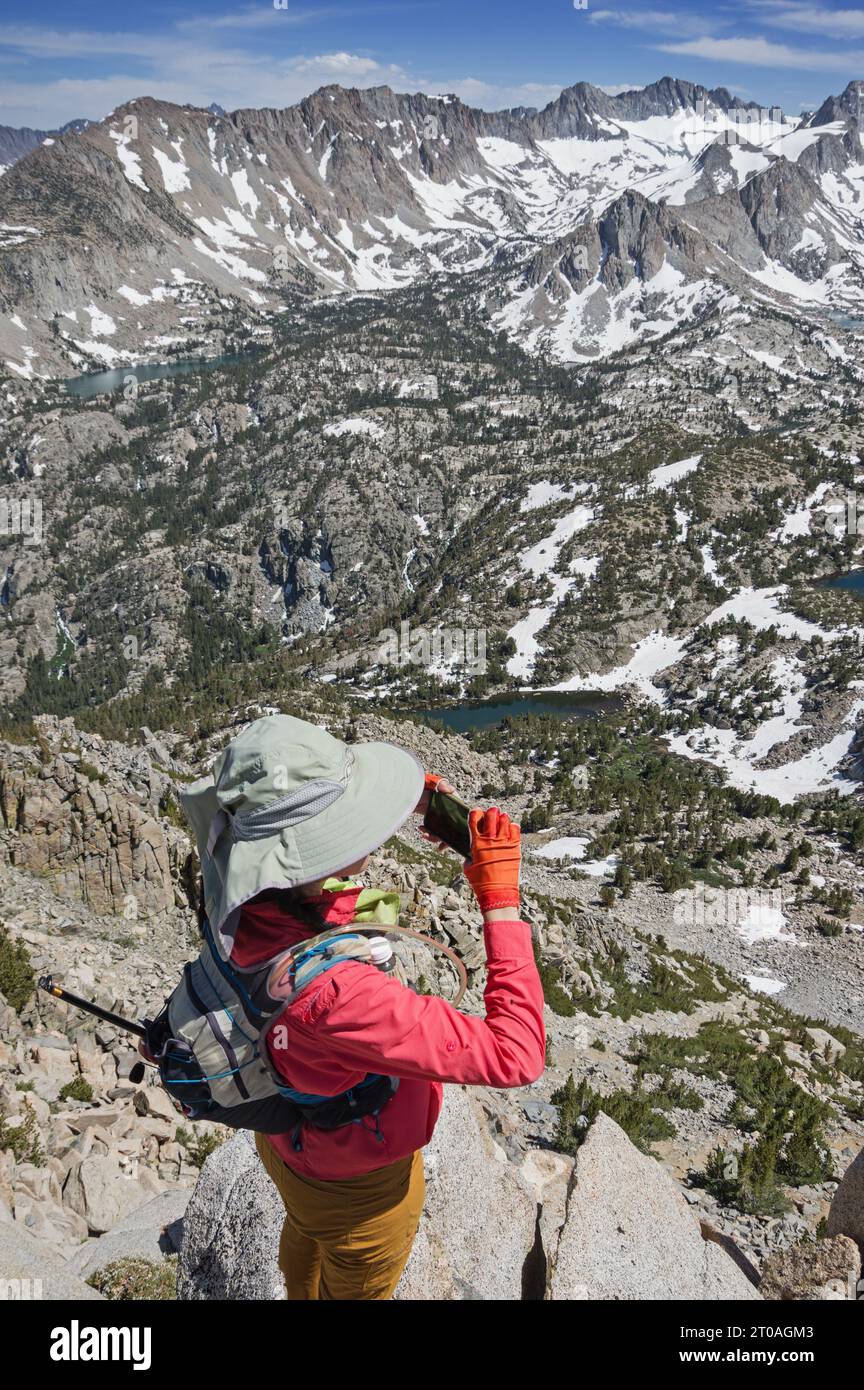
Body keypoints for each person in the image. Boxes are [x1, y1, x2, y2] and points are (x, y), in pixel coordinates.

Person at [177, 713, 545, 1301]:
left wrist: (413, 804)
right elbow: (516, 1056)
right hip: (359, 1189)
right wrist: (500, 904)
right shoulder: (341, 998)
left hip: (288, 1149)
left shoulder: (235, 894)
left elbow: (312, 905)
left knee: (304, 1229)